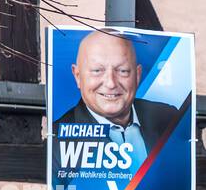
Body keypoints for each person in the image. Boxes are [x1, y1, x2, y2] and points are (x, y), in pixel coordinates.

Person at [53, 29, 180, 164]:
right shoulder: (56, 140)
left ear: (137, 75)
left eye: (123, 71)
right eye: (97, 71)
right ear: (78, 76)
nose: (111, 83)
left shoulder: (169, 118)